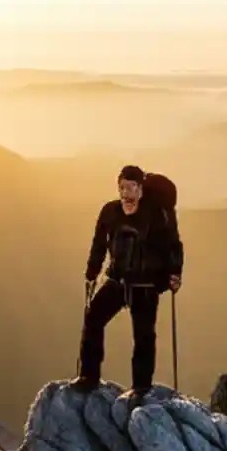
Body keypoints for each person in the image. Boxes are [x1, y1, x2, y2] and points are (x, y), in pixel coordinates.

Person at [70, 165, 183, 404]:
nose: (126, 194)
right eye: (122, 187)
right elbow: (99, 242)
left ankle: (141, 388)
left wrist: (174, 273)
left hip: (146, 284)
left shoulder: (157, 214)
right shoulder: (109, 212)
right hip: (117, 279)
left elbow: (173, 244)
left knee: (143, 335)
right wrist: (92, 270)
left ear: (141, 189)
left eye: (131, 188)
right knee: (93, 319)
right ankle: (88, 376)